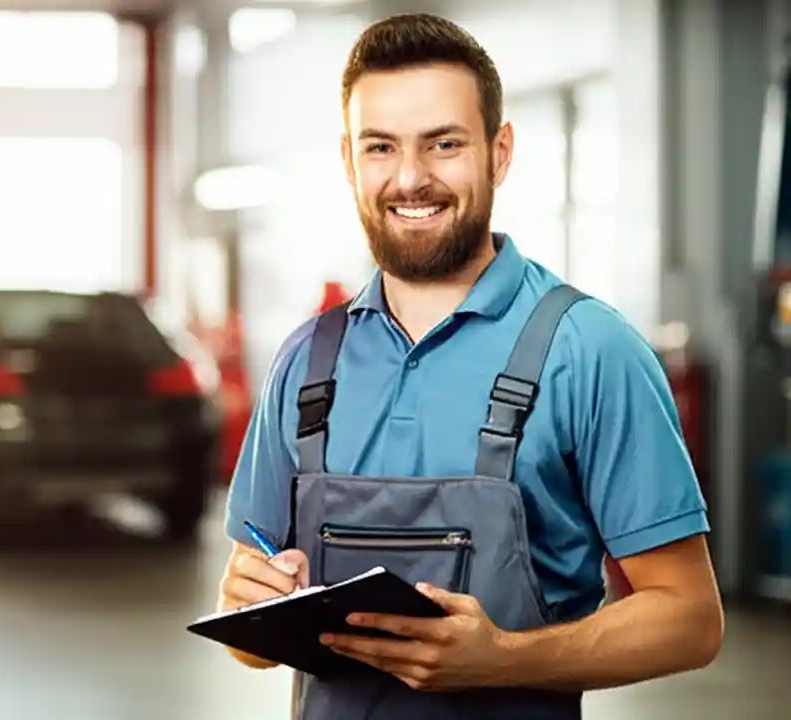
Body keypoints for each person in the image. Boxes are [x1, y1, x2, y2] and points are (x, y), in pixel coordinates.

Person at [216, 13, 723, 719]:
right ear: (348, 160)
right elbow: (250, 629)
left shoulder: (591, 350)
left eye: (443, 144)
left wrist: (503, 659)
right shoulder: (306, 361)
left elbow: (690, 619)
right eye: (381, 147)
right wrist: (249, 606)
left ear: (499, 151)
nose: (410, 178)